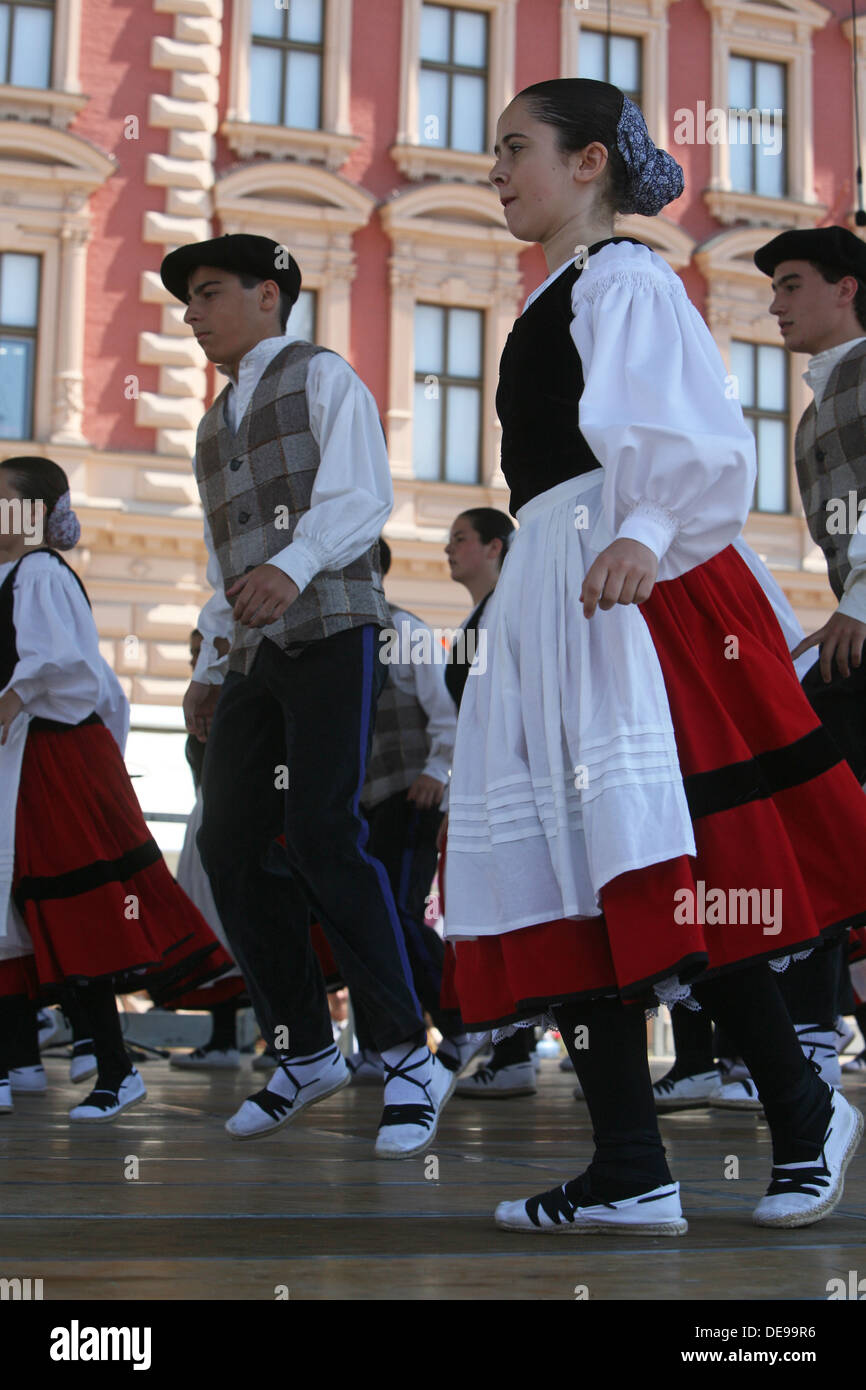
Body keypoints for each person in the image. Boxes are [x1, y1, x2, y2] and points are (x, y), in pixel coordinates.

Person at [443, 78, 866, 1235]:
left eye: (514, 147)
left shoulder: (623, 275)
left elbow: (688, 430)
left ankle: (796, 1103)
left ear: (588, 163)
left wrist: (637, 533)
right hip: (558, 575)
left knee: (651, 857)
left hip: (627, 571)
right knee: (582, 875)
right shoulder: (558, 293)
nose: (495, 169)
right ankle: (632, 1165)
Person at [161, 233, 455, 1158]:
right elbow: (223, 558)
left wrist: (290, 567)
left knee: (326, 833)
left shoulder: (325, 376)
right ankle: (303, 1049)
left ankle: (408, 1053)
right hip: (256, 649)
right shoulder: (214, 423)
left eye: (208, 294)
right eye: (188, 301)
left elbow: (364, 495)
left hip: (332, 624)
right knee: (229, 839)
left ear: (268, 294)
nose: (193, 315)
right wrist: (212, 666)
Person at [0, 456, 233, 1121]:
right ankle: (25, 1058)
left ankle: (112, 1065)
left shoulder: (39, 573)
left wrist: (12, 700)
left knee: (75, 902)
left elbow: (66, 666)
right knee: (30, 905)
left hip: (52, 760)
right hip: (26, 760)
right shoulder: (11, 577)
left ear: (34, 515)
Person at [439, 507, 540, 1098]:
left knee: (513, 909)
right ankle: (512, 1046)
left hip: (511, 786)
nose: (448, 549)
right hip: (482, 785)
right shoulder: (481, 616)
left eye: (461, 539)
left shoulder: (512, 609)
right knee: (489, 912)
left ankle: (518, 1048)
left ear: (496, 546)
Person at [170, 628, 248, 1072]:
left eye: (205, 651)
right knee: (215, 932)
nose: (196, 658)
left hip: (236, 822)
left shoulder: (233, 704)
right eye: (192, 651)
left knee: (241, 929)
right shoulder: (203, 708)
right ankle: (223, 1041)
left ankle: (279, 1044)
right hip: (206, 822)